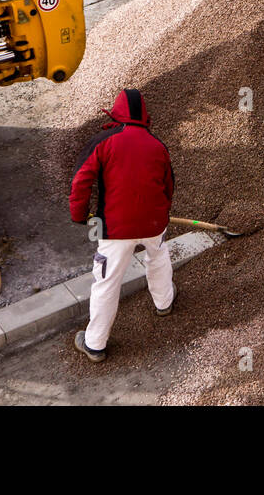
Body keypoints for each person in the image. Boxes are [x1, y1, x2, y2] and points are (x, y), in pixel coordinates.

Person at [69, 88, 175, 361]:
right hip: (154, 223)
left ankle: (94, 344)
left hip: (115, 228)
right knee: (159, 256)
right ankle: (164, 303)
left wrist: (80, 215)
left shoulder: (104, 141)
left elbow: (81, 180)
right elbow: (169, 185)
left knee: (107, 281)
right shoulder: (157, 145)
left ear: (116, 112)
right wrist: (161, 214)